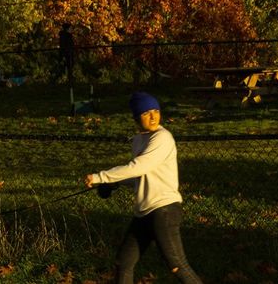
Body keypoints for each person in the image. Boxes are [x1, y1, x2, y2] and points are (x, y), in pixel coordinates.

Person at [84, 92, 202, 284]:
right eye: (146, 113)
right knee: (124, 263)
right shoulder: (139, 140)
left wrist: (100, 177)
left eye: (156, 111)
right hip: (144, 213)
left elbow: (139, 167)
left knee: (178, 265)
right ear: (137, 117)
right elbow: (141, 175)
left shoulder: (163, 138)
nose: (154, 116)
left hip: (163, 209)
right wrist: (113, 183)